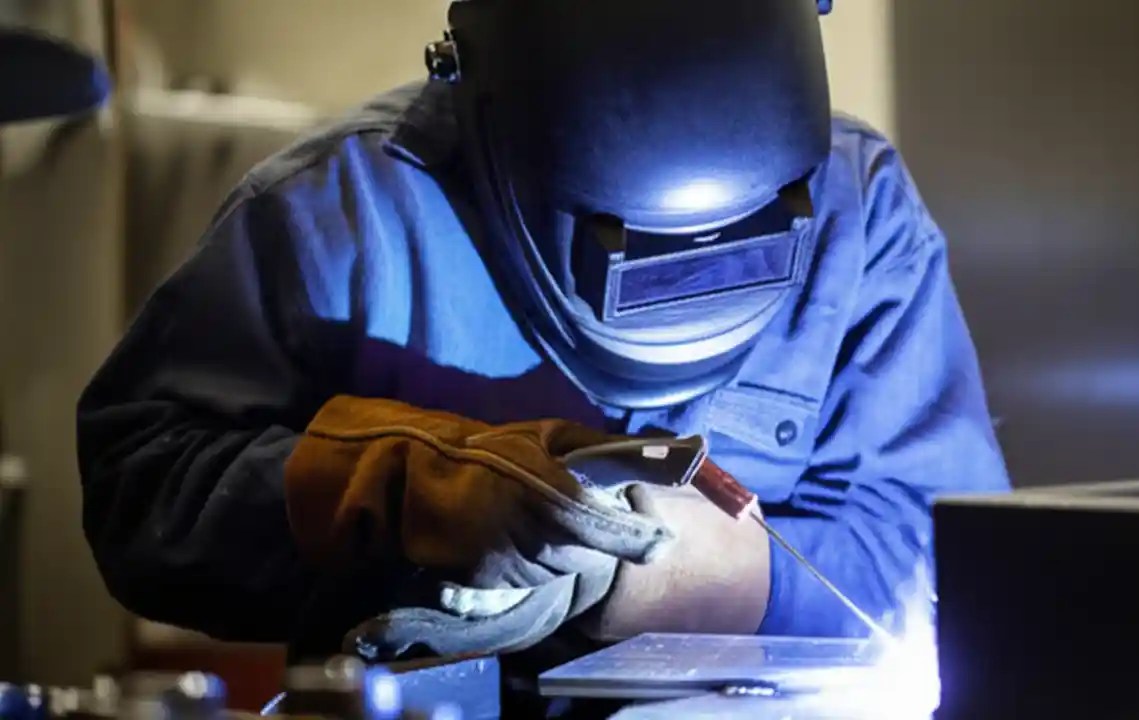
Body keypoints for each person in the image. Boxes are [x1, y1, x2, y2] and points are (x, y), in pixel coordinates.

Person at [76, 0, 1010, 663]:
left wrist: (705, 576)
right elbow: (139, 492)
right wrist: (403, 500)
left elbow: (949, 561)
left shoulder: (860, 213)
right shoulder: (343, 215)